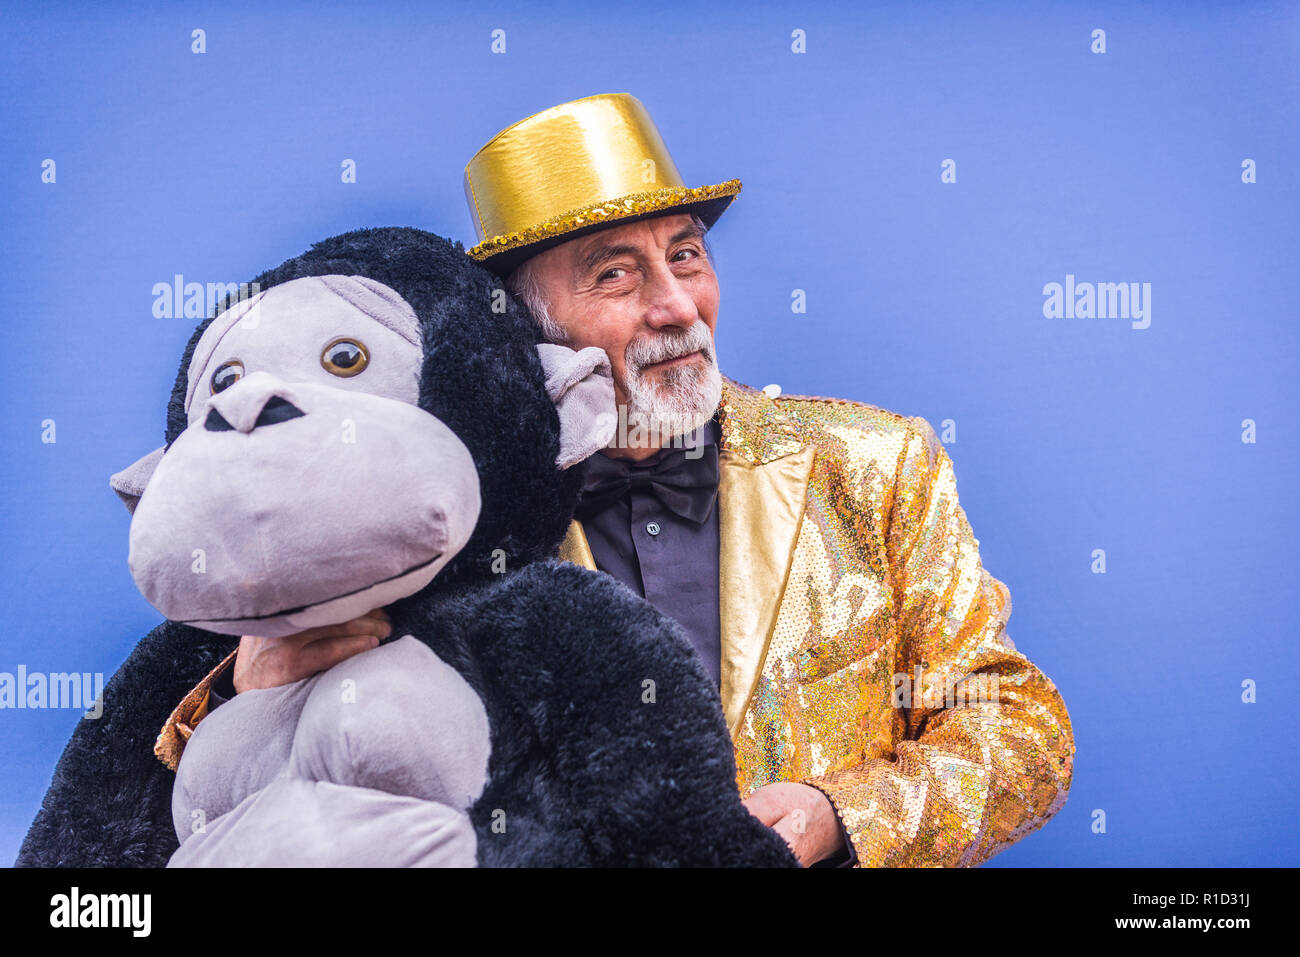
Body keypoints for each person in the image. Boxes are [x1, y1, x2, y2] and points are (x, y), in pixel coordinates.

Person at [163, 92, 1075, 867]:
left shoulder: (877, 466)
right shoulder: (456, 520)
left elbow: (1021, 726)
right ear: (531, 327)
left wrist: (843, 814)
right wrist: (260, 683)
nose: (678, 304)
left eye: (686, 255)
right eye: (617, 274)